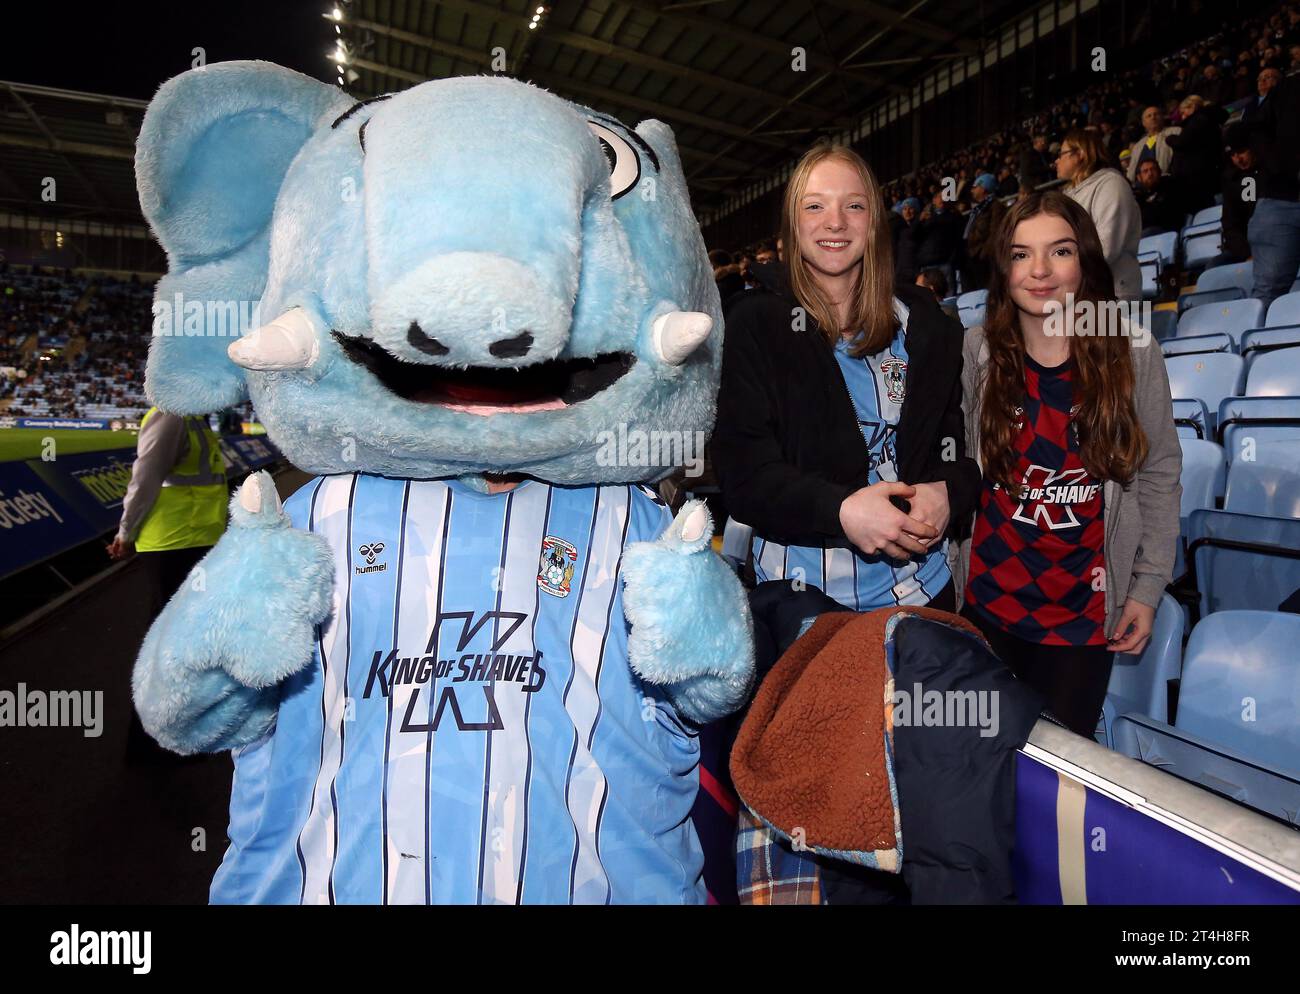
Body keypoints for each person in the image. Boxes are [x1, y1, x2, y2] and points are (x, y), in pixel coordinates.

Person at [950, 191, 1182, 738]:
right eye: (1021, 254)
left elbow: (1160, 473)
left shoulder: (1135, 351)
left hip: (1081, 622)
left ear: (1085, 262)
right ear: (1003, 269)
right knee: (976, 766)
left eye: (1059, 251)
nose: (1040, 271)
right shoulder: (976, 351)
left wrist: (1146, 588)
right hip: (986, 608)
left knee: (1057, 785)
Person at [714, 142, 980, 615]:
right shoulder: (754, 325)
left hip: (925, 595)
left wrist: (948, 494)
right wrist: (843, 510)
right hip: (806, 608)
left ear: (874, 220)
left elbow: (953, 450)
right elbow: (744, 479)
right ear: (792, 226)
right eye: (814, 206)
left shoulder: (926, 324)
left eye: (853, 205)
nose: (834, 222)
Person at [108, 405, 228, 760]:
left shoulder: (192, 418)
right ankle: (150, 745)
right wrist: (125, 533)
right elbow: (144, 478)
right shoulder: (171, 416)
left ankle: (174, 736)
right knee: (168, 647)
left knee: (182, 642)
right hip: (174, 542)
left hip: (192, 540)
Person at [1058, 128, 1143, 301]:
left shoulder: (1110, 184)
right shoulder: (1069, 194)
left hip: (1114, 292)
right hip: (1082, 294)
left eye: (1062, 154)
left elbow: (1106, 247)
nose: (1056, 161)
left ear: (1080, 153)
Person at [1165, 95, 1228, 216]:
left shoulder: (1199, 119)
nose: (1183, 117)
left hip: (1201, 179)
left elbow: (1182, 142)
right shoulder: (1205, 119)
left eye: (1184, 112)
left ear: (1193, 107)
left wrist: (1170, 139)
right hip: (1204, 175)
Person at [961, 173, 1007, 291]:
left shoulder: (996, 207)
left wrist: (984, 253)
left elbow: (995, 232)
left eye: (975, 187)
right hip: (970, 256)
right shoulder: (977, 209)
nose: (972, 190)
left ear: (984, 188)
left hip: (983, 259)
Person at [1124, 106, 1181, 183]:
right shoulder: (1138, 145)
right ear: (1143, 123)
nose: (1153, 117)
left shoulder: (1175, 132)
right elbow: (1131, 171)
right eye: (1149, 116)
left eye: (1156, 114)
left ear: (1162, 117)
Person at [1133, 160, 1185, 236]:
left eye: (1153, 169)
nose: (1150, 174)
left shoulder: (1171, 186)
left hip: (1167, 232)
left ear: (1159, 172)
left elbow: (1164, 215)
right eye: (1145, 171)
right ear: (1139, 177)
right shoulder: (1138, 196)